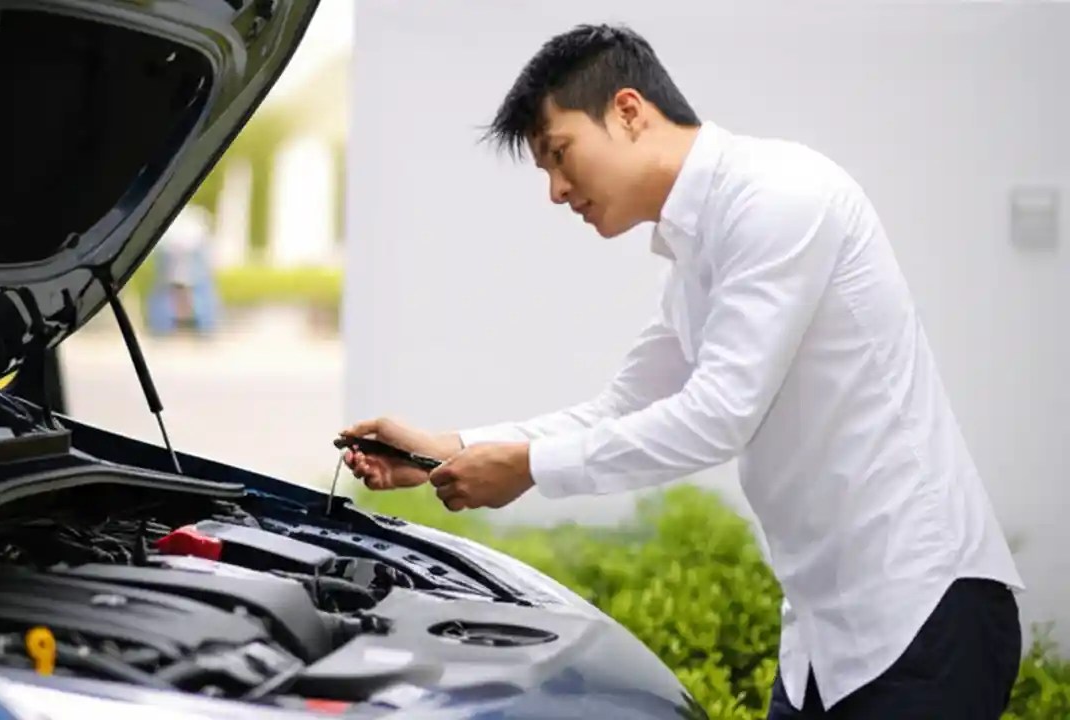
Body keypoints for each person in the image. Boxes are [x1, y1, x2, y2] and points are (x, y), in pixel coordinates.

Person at [342, 23, 1024, 720]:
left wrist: (529, 467)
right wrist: (446, 450)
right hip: (826, 641)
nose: (555, 190)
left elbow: (718, 416)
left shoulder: (781, 197)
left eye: (559, 154)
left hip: (921, 613)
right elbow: (619, 409)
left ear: (628, 112)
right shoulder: (698, 256)